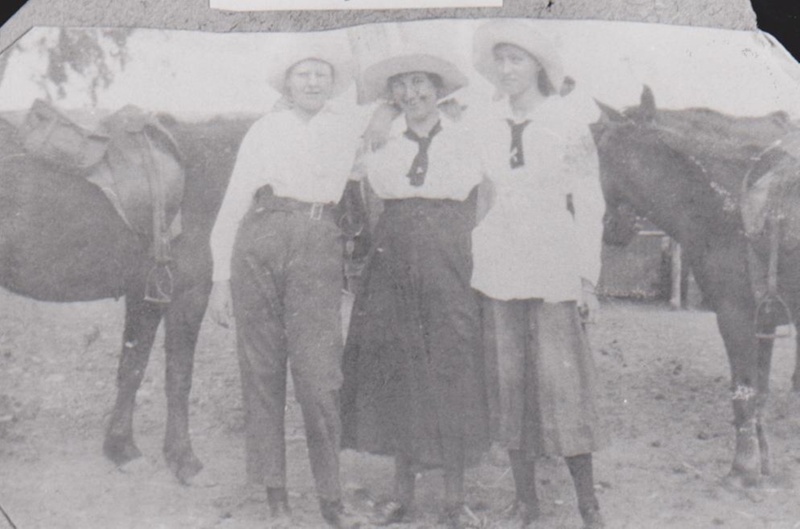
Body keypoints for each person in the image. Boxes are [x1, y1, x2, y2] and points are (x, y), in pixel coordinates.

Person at [207, 34, 367, 529]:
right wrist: (219, 276)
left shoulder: (349, 131)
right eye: (304, 74)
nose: (313, 81)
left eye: (321, 74)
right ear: (289, 83)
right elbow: (234, 201)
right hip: (260, 242)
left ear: (332, 83)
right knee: (262, 370)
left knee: (320, 378)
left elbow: (370, 181)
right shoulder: (264, 129)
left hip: (318, 244)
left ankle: (330, 498)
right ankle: (275, 495)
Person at [340, 52, 490, 529]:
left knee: (454, 365)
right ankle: (401, 495)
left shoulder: (468, 135)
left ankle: (454, 500)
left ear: (438, 88)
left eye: (421, 83)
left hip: (451, 254)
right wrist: (373, 128)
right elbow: (356, 185)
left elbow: (488, 195)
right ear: (392, 95)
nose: (412, 94)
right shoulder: (380, 140)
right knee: (400, 367)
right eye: (401, 86)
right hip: (395, 252)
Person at [469, 20, 607, 529]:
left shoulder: (567, 121)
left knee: (561, 384)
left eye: (517, 60)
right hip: (499, 265)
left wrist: (587, 279)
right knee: (509, 383)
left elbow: (589, 203)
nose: (507, 69)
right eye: (500, 59)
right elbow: (476, 183)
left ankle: (588, 504)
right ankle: (525, 500)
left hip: (554, 265)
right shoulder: (483, 121)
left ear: (538, 67)